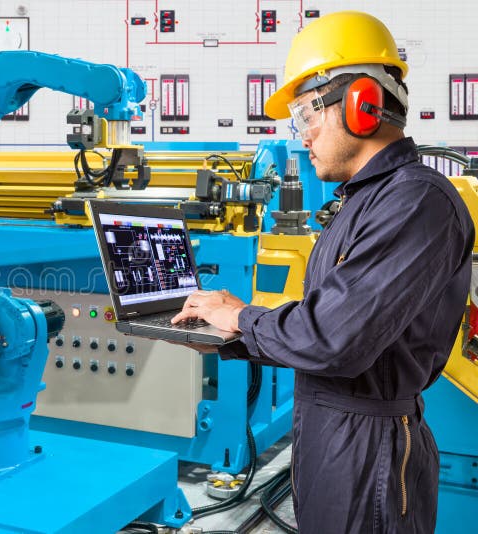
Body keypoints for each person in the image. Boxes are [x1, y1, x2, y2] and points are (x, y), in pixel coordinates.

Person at [171, 11, 474, 534]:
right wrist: (229, 332)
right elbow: (329, 320)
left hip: (370, 452)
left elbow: (333, 339)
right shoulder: (365, 201)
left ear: (362, 105)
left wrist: (242, 318)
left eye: (308, 116)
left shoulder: (415, 202)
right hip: (333, 435)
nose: (302, 136)